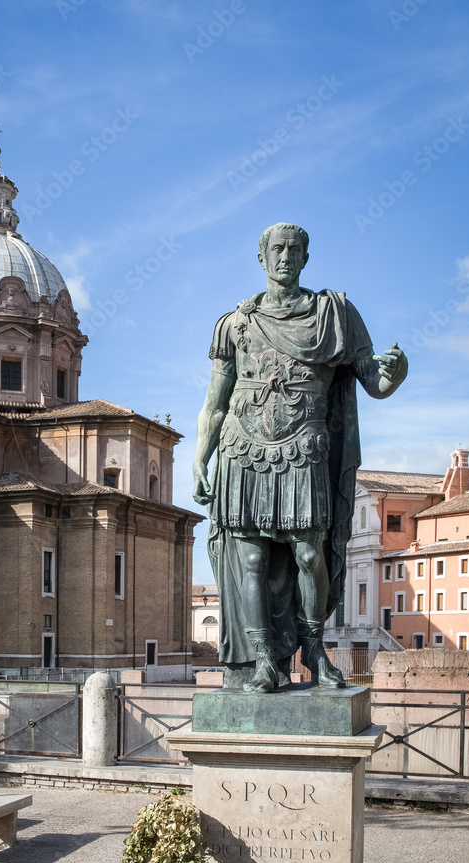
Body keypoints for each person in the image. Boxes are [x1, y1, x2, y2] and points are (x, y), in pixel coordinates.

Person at [192, 223, 408, 692]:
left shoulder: (335, 315)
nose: (286, 255)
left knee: (310, 554)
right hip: (241, 450)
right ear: (262, 258)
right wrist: (199, 457)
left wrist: (397, 373)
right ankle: (264, 659)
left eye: (295, 249)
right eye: (277, 248)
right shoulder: (235, 323)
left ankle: (313, 649)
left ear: (306, 258)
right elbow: (215, 401)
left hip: (304, 449)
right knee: (250, 560)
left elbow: (375, 382)